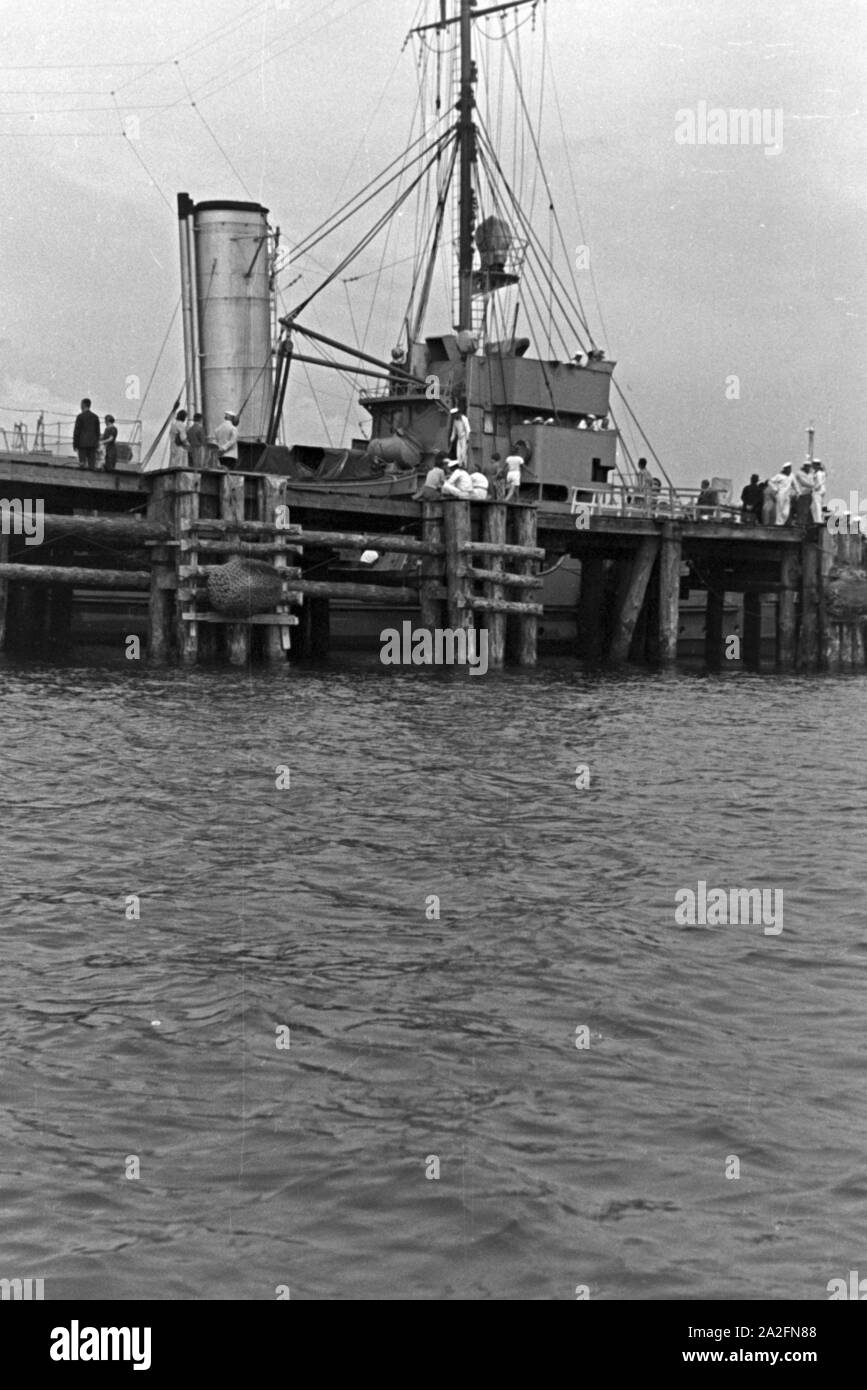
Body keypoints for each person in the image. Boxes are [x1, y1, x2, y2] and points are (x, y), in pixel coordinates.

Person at [73, 397, 100, 468]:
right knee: (92, 464)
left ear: (83, 405)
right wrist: (96, 444)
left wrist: (75, 444)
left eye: (81, 404)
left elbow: (77, 431)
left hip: (82, 444)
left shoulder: (80, 417)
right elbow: (98, 432)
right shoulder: (95, 417)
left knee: (82, 463)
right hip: (93, 444)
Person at [792, 461, 816, 526]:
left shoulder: (810, 474)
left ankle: (807, 524)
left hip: (808, 495)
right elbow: (805, 483)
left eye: (809, 466)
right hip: (801, 495)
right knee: (801, 511)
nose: (808, 468)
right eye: (807, 466)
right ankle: (800, 524)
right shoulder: (799, 474)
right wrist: (813, 485)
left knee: (807, 511)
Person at [449, 402, 471, 467]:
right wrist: (451, 439)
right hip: (459, 438)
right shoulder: (455, 421)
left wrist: (467, 438)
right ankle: (460, 466)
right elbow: (454, 431)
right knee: (458, 454)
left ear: (457, 413)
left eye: (454, 414)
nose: (454, 416)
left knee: (463, 453)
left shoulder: (464, 419)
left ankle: (465, 466)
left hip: (464, 437)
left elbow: (468, 429)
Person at [810, 459, 826, 523]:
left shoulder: (819, 473)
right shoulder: (821, 472)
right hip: (821, 490)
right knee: (818, 505)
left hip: (818, 490)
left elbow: (819, 483)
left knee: (817, 506)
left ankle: (818, 520)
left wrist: (814, 489)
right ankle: (818, 519)